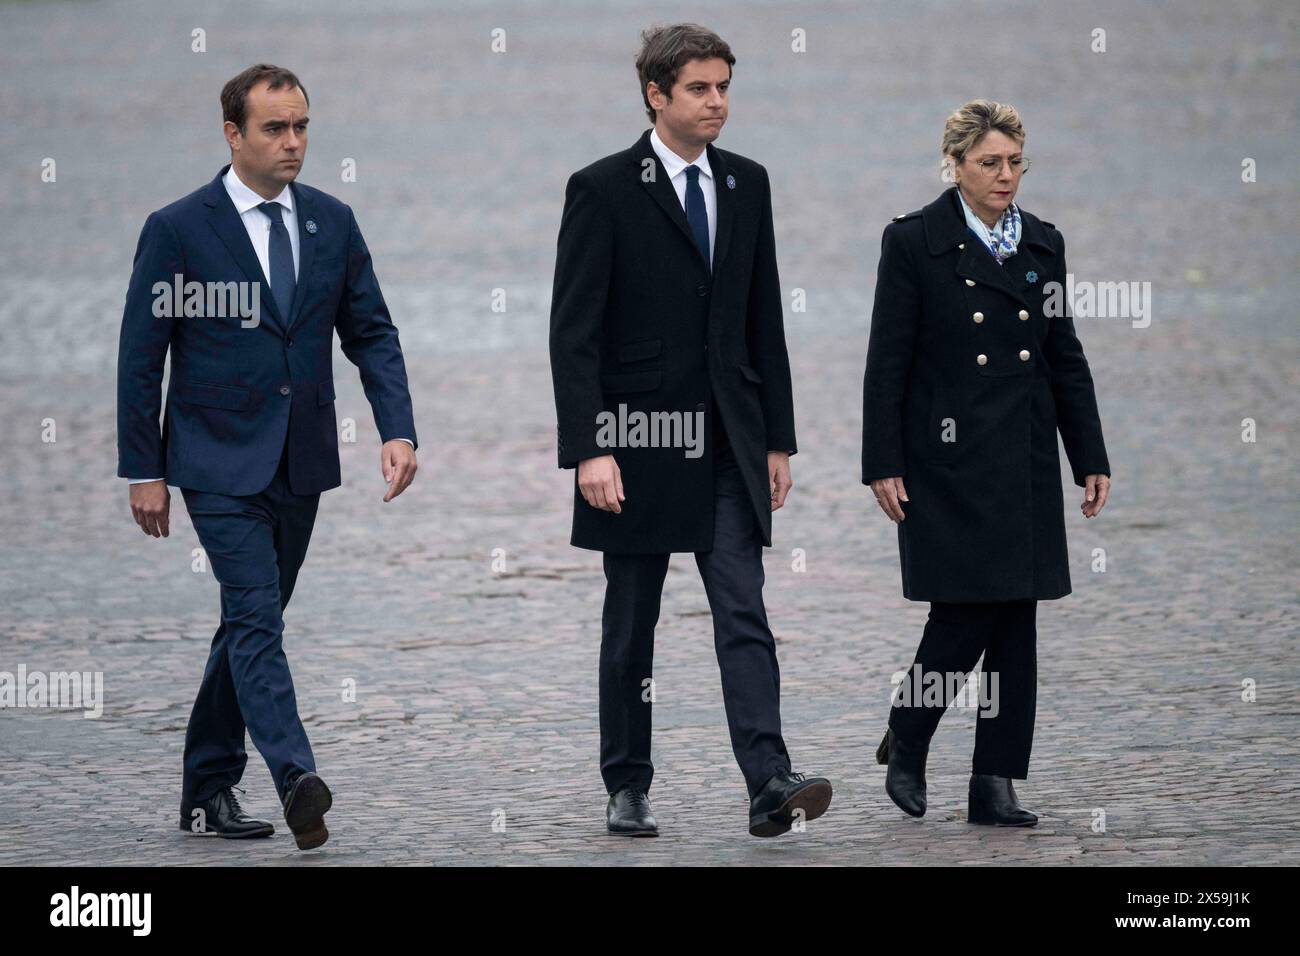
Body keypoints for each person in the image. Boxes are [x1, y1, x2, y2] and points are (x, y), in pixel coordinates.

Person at [116, 64, 419, 849]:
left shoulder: (331, 221)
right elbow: (141, 357)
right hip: (215, 463)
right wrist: (143, 469)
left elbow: (372, 332)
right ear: (232, 133)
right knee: (255, 617)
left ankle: (208, 784)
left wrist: (398, 428)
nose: (293, 143)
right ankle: (295, 776)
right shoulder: (179, 228)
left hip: (303, 460)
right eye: (275, 128)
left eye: (302, 127)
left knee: (249, 625)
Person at [549, 23, 831, 838]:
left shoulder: (748, 183)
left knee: (744, 607)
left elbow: (761, 318)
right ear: (656, 95)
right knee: (631, 621)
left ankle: (769, 779)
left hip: (729, 444)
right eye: (701, 88)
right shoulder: (601, 188)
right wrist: (590, 447)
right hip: (633, 445)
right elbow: (574, 334)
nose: (718, 103)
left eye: (724, 87)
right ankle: (627, 783)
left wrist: (777, 436)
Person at [861, 99, 1111, 826]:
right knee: (965, 611)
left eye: (1015, 163)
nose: (1006, 176)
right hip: (944, 458)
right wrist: (882, 461)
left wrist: (1087, 455)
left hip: (1025, 454)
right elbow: (887, 364)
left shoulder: (1042, 244)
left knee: (1016, 618)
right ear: (957, 165)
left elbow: (1065, 356)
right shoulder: (913, 242)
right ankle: (909, 734)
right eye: (990, 163)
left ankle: (994, 781)